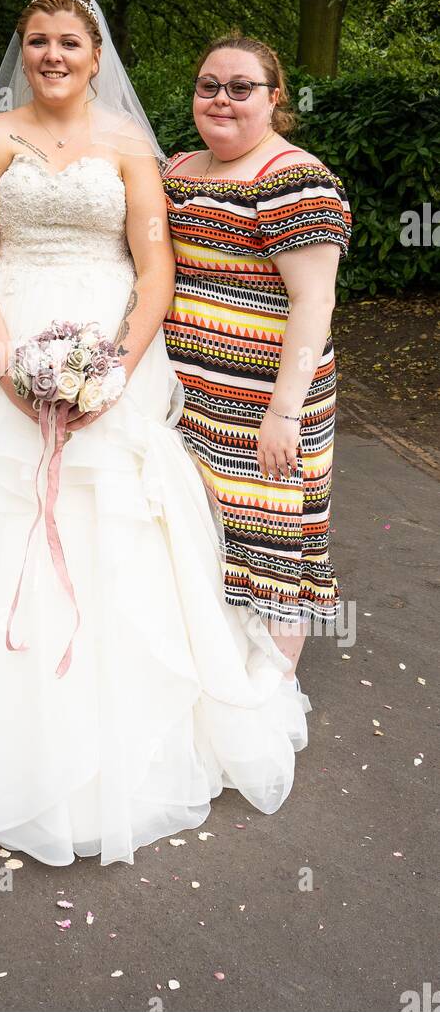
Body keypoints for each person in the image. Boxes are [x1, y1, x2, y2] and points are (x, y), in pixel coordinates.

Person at [0, 0, 311, 868]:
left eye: (70, 43)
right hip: (3, 345)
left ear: (97, 57)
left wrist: (118, 366)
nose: (53, 55)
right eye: (39, 40)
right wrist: (6, 360)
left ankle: (121, 744)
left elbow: (155, 266)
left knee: (120, 530)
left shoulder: (133, 147)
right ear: (25, 51)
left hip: (110, 343)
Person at [162, 35, 351, 680]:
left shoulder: (297, 179)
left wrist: (284, 413)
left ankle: (264, 704)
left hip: (265, 406)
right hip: (184, 400)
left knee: (273, 548)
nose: (222, 99)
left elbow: (313, 303)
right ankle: (207, 694)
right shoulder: (179, 169)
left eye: (241, 88)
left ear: (274, 99)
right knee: (201, 541)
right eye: (209, 85)